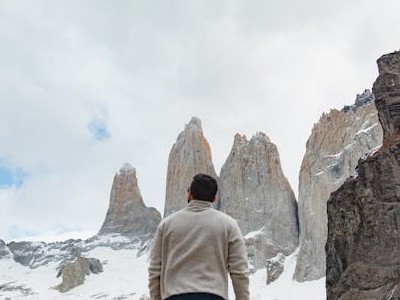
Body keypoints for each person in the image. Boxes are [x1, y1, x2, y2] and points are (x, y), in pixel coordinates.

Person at [148, 174, 250, 300]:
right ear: (213, 198)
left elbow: (154, 270)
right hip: (213, 296)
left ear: (190, 193)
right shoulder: (228, 225)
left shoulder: (166, 225)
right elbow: (239, 271)